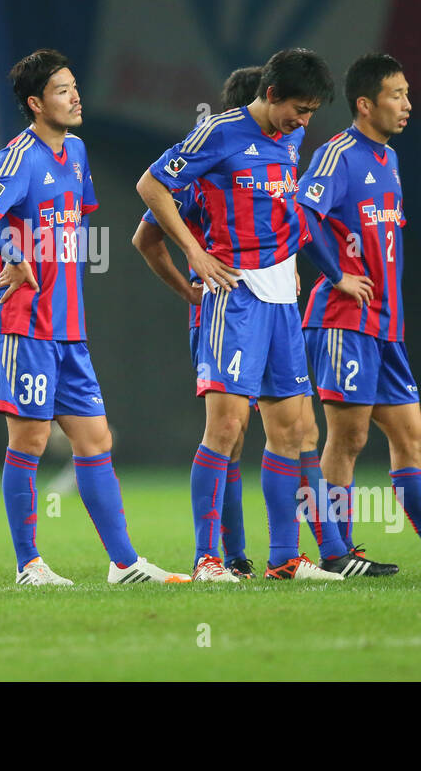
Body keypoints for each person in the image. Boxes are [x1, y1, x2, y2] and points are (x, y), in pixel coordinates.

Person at [0, 48, 190, 585]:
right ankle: (28, 565)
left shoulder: (77, 153)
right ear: (36, 104)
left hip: (67, 330)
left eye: (75, 86)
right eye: (62, 90)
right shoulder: (21, 156)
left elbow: (66, 230)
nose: (75, 95)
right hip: (23, 322)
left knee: (96, 441)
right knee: (31, 443)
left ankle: (125, 564)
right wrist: (14, 255)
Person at [138, 48, 368, 582]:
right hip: (234, 295)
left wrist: (301, 264)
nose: (304, 122)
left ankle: (286, 559)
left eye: (311, 113)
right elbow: (151, 184)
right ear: (270, 95)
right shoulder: (219, 134)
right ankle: (208, 559)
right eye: (299, 110)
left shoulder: (289, 140)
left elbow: (285, 210)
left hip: (282, 301)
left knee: (293, 430)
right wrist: (194, 254)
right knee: (226, 428)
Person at [299, 53, 421, 576]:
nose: (407, 104)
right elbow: (302, 216)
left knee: (413, 436)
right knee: (348, 438)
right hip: (343, 320)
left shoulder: (390, 160)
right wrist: (336, 276)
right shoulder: (337, 155)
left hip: (386, 327)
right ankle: (338, 551)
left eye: (407, 94)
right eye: (396, 95)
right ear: (365, 104)